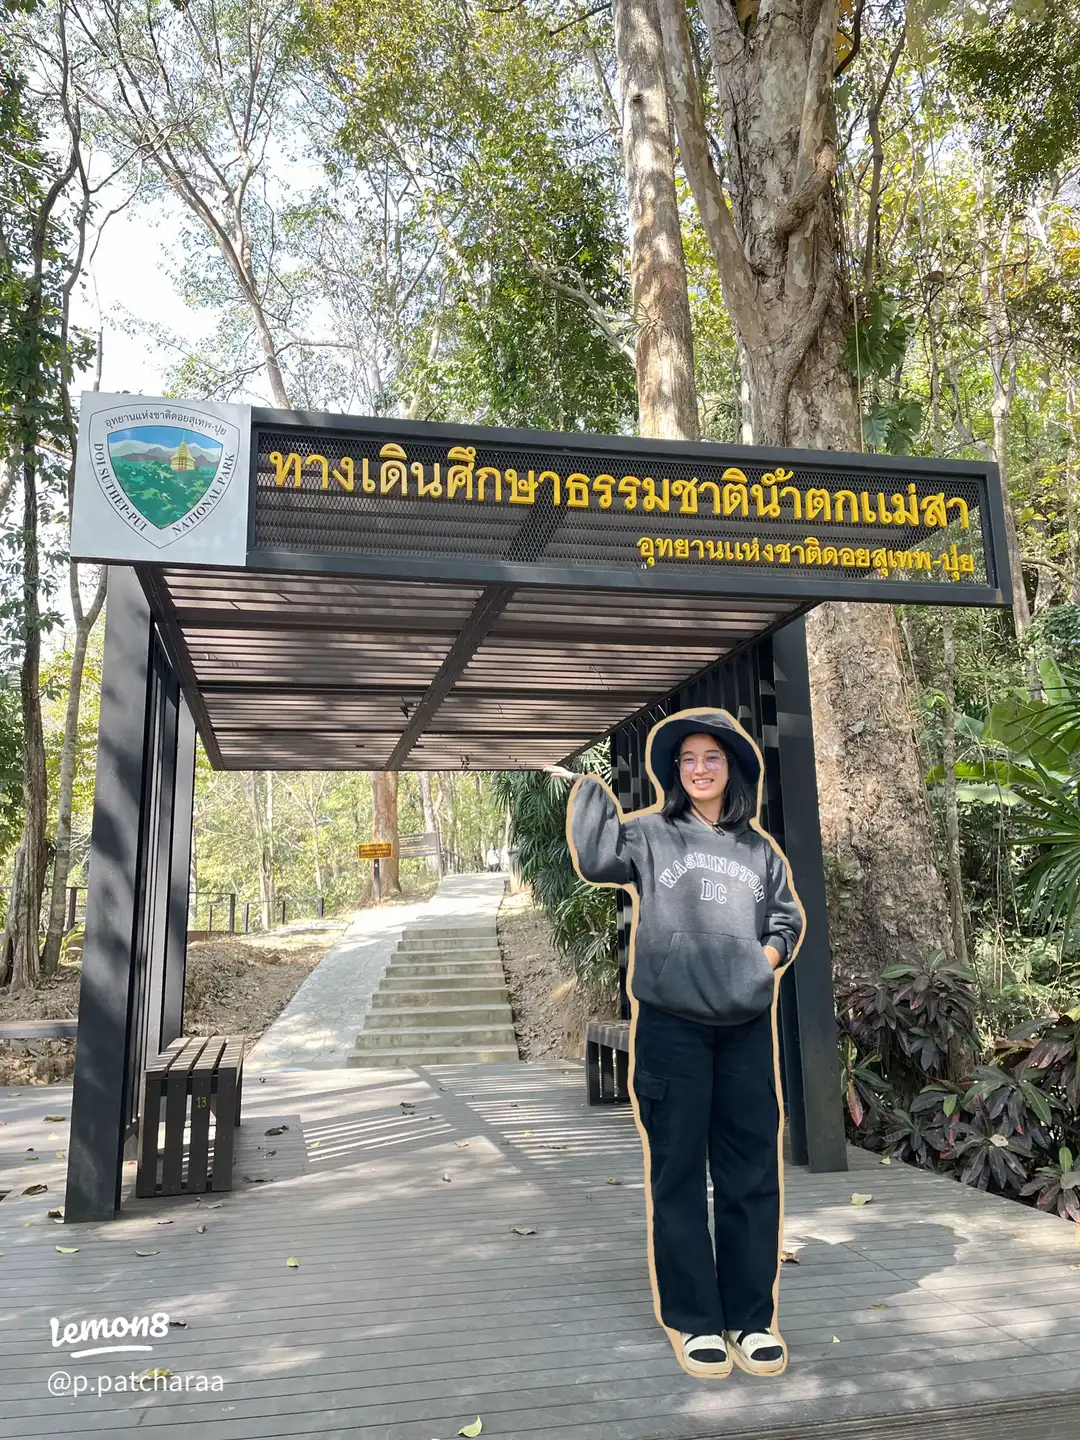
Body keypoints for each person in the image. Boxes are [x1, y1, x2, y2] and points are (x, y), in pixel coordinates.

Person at [558, 709, 803, 1381]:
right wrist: (588, 791)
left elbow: (786, 915)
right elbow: (596, 856)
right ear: (675, 772)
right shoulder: (651, 836)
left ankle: (751, 1318)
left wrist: (767, 954)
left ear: (733, 769)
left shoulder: (759, 852)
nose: (699, 768)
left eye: (712, 757)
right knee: (677, 1176)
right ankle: (695, 1320)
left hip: (747, 1031)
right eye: (688, 758)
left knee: (751, 1175)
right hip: (671, 1029)